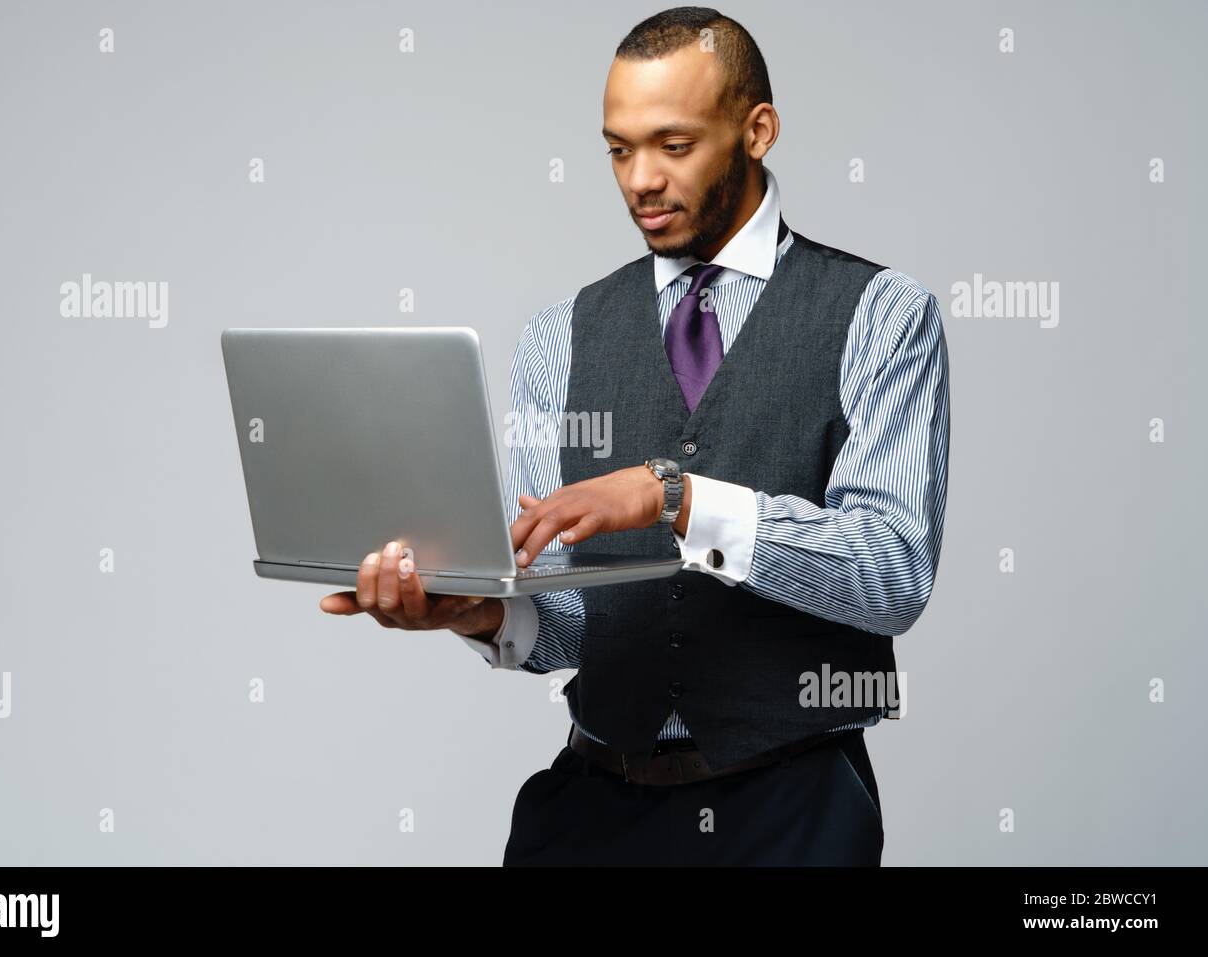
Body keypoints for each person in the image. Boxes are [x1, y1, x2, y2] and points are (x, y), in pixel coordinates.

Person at [320, 6, 950, 866]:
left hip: (793, 811)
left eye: (673, 145)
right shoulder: (561, 334)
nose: (640, 179)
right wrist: (475, 612)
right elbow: (573, 618)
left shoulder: (882, 314)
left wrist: (676, 497)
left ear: (757, 130)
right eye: (618, 149)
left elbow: (891, 573)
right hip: (592, 810)